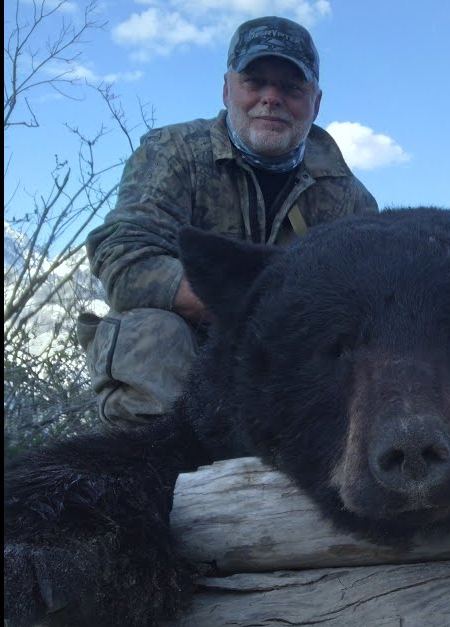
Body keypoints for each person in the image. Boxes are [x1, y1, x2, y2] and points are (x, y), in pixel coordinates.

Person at [78, 16, 379, 428]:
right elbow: (126, 260)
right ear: (227, 89)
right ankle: (145, 465)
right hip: (193, 344)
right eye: (255, 82)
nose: (271, 97)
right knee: (150, 331)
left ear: (316, 101)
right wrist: (250, 308)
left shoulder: (351, 199)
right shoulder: (173, 153)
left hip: (296, 355)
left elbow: (370, 304)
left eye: (292, 87)